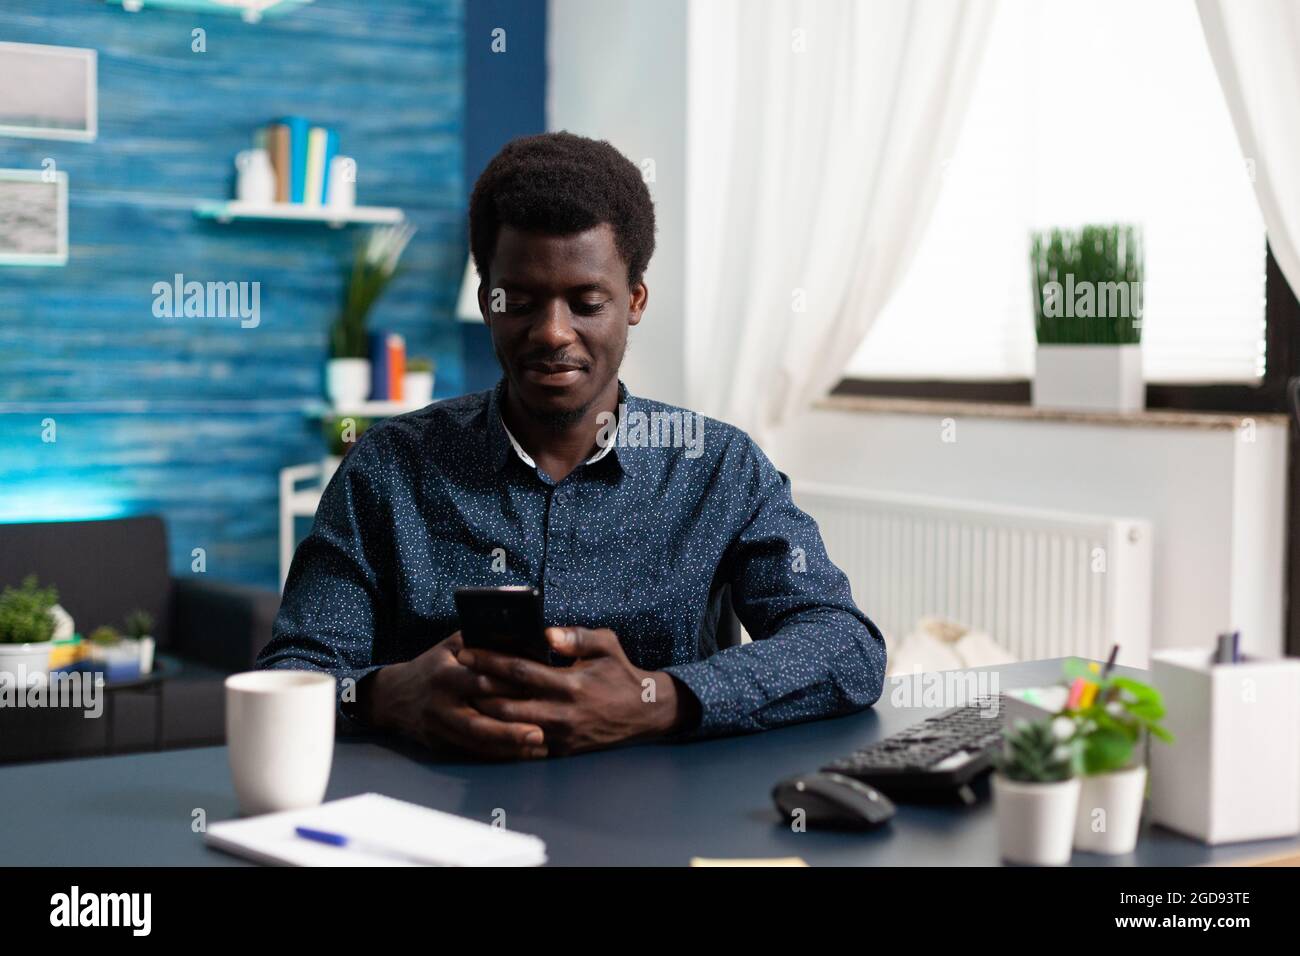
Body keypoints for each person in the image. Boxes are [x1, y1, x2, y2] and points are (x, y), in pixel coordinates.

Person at [258, 131, 886, 759]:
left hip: (657, 832)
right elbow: (289, 674)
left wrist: (657, 699)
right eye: (521, 302)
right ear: (487, 302)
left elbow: (844, 646)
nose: (553, 333)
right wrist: (385, 694)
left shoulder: (719, 467)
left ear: (634, 300)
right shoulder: (388, 468)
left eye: (587, 303)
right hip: (433, 830)